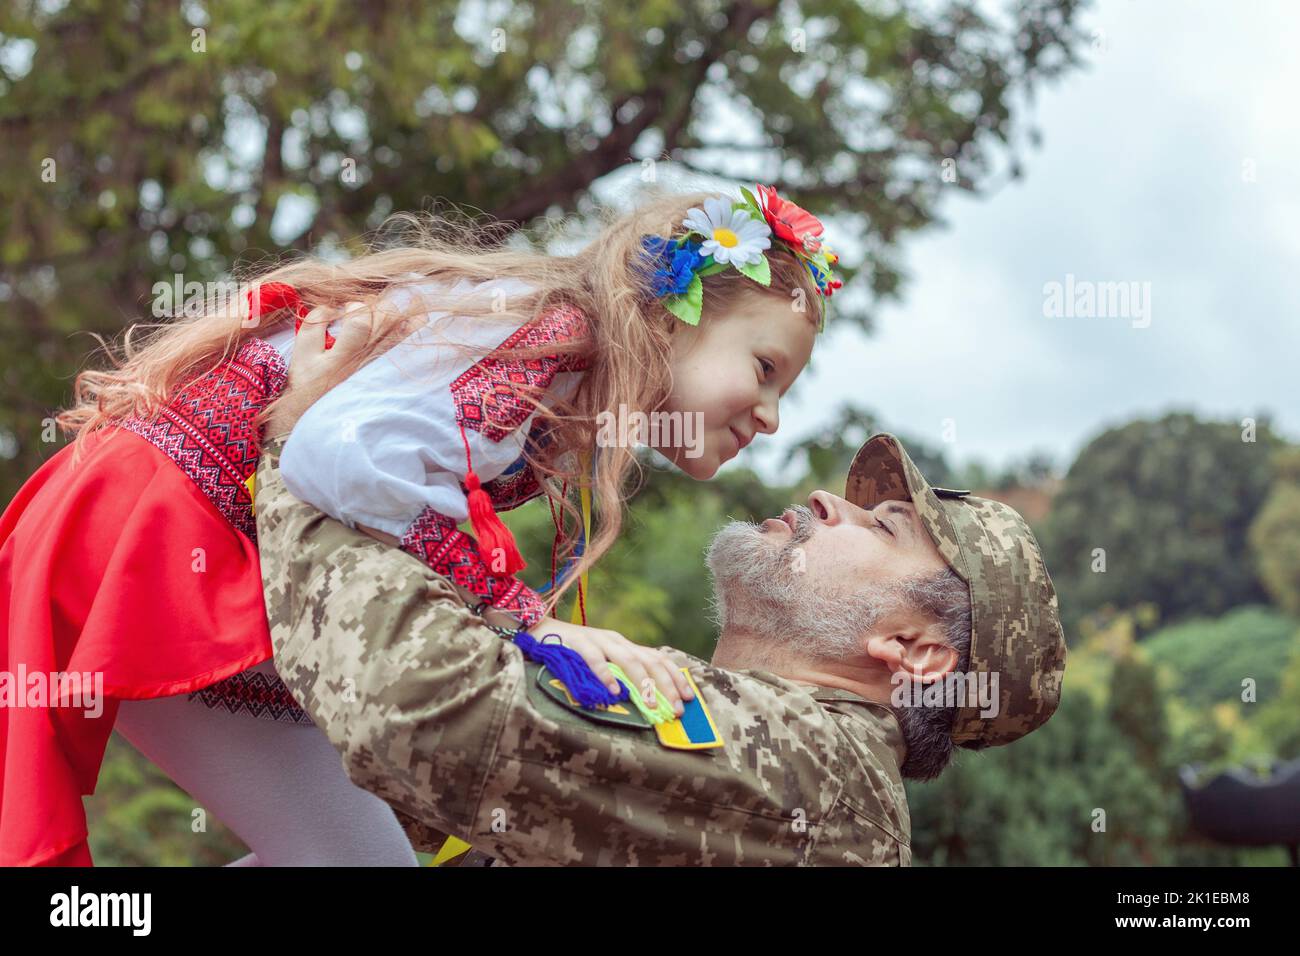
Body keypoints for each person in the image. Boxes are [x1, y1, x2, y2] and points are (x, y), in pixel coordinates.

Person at [0, 184, 837, 866]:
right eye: (765, 369)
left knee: (362, 853)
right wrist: (520, 619)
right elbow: (336, 459)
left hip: (188, 535)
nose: (768, 415)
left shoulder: (557, 365)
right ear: (670, 317)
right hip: (163, 540)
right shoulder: (550, 337)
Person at [254, 406, 1069, 865]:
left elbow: (419, 703)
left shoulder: (820, 775)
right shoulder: (783, 745)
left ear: (916, 651)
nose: (828, 500)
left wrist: (310, 454)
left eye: (883, 527)